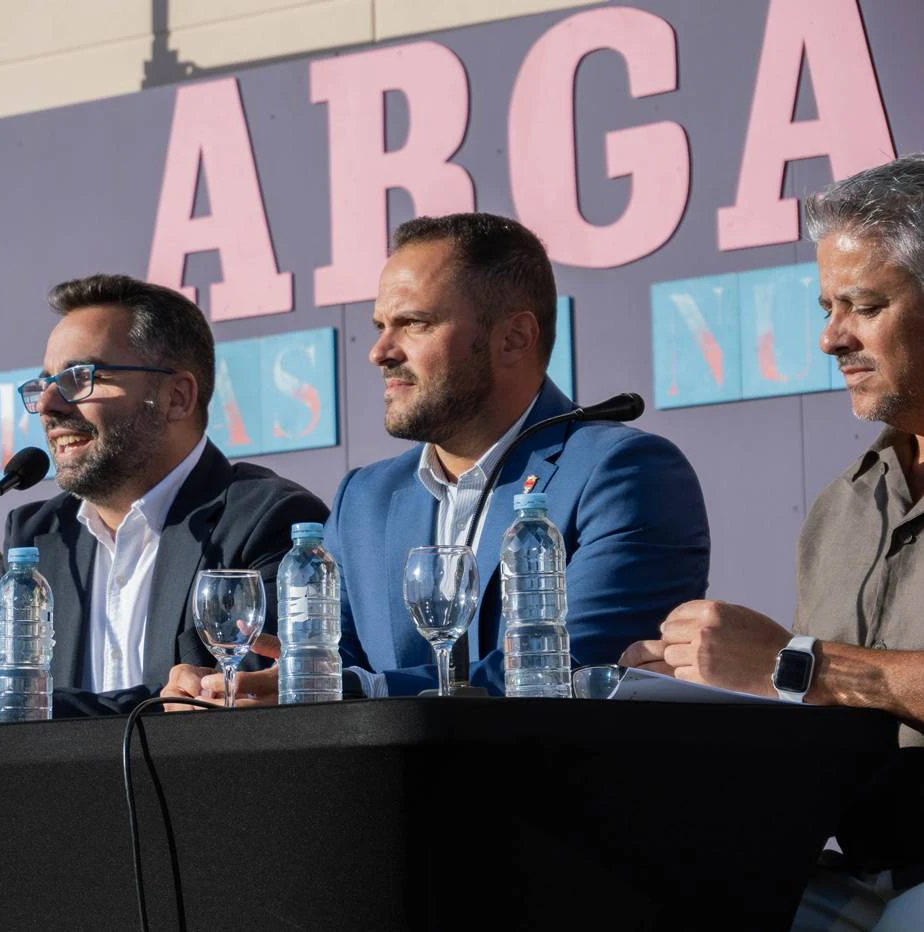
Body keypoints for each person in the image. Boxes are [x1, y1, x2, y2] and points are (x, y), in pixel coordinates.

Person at [165, 212, 710, 705]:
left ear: (514, 338)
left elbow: (567, 671)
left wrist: (362, 688)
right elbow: (324, 667)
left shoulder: (625, 472)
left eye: (415, 323)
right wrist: (229, 688)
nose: (380, 352)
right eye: (381, 326)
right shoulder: (364, 499)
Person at [618, 153, 924, 932]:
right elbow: (826, 719)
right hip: (851, 871)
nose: (831, 338)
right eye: (827, 305)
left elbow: (818, 673)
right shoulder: (843, 506)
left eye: (864, 305)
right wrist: (711, 691)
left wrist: (797, 662)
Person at [0, 274, 326, 728]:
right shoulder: (37, 537)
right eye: (43, 385)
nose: (49, 406)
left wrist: (21, 708)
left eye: (81, 379)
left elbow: (240, 707)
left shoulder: (269, 520)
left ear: (176, 397)